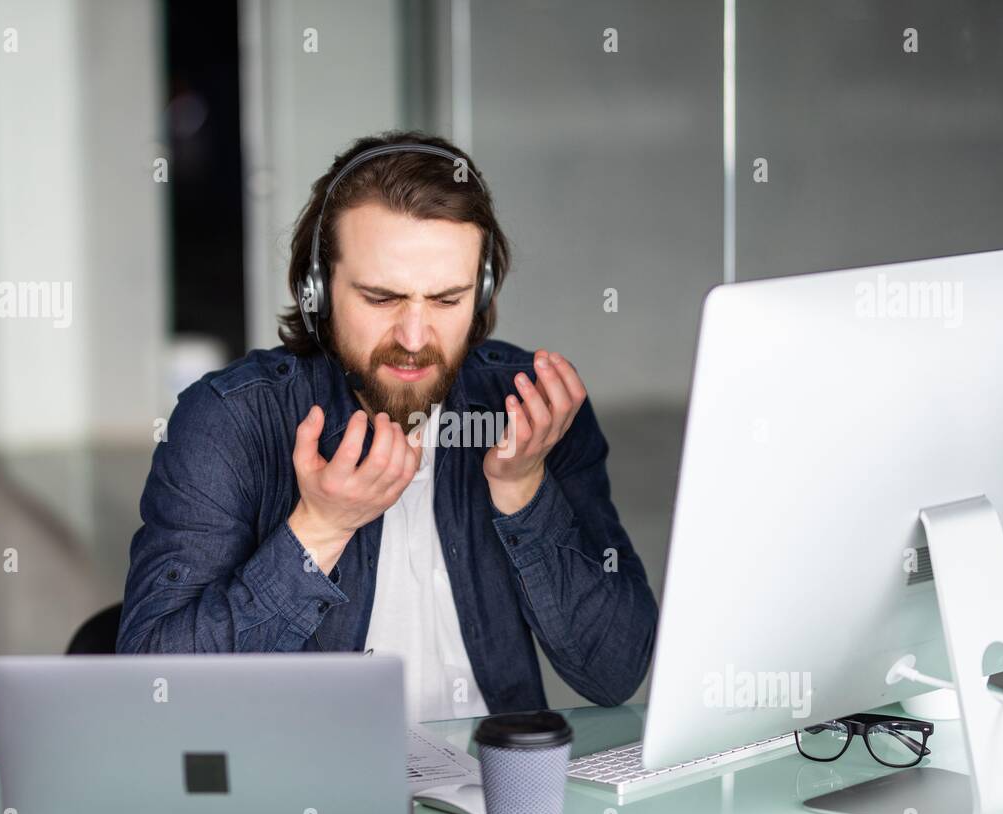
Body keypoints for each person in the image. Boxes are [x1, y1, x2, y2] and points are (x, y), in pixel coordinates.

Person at [118, 130, 657, 723]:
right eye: (381, 298)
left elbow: (615, 671)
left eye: (447, 301)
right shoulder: (229, 421)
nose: (414, 339)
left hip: (495, 794)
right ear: (317, 289)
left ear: (479, 296)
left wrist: (524, 492)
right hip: (310, 801)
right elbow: (157, 696)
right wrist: (319, 530)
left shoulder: (532, 412)